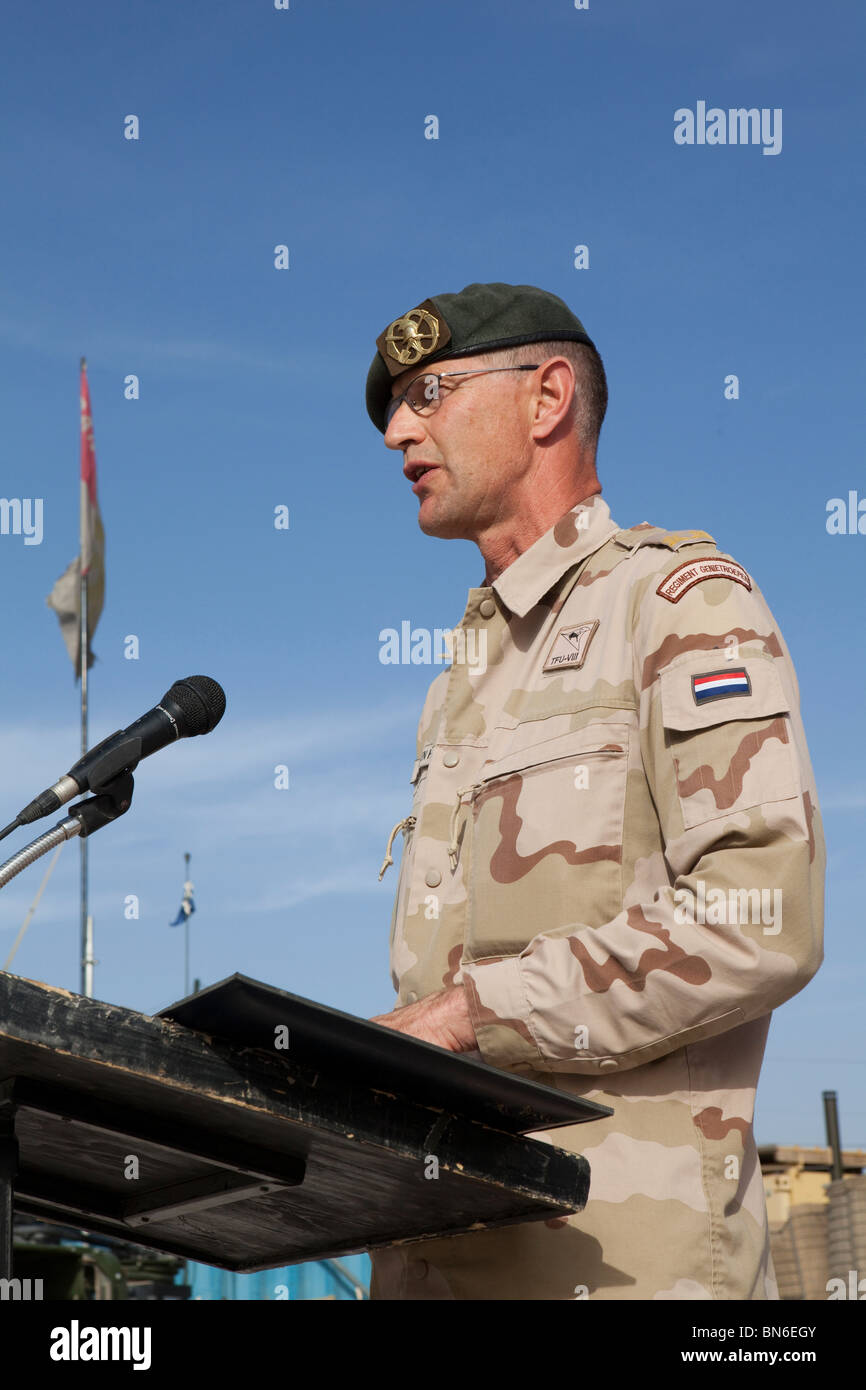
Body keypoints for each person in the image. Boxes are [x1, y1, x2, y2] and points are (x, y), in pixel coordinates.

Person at [364, 282, 825, 1300]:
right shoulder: (459, 677)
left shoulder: (676, 605)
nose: (399, 430)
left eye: (430, 391)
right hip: (431, 1253)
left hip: (617, 1267)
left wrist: (465, 1014)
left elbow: (761, 918)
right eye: (395, 407)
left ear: (546, 398)